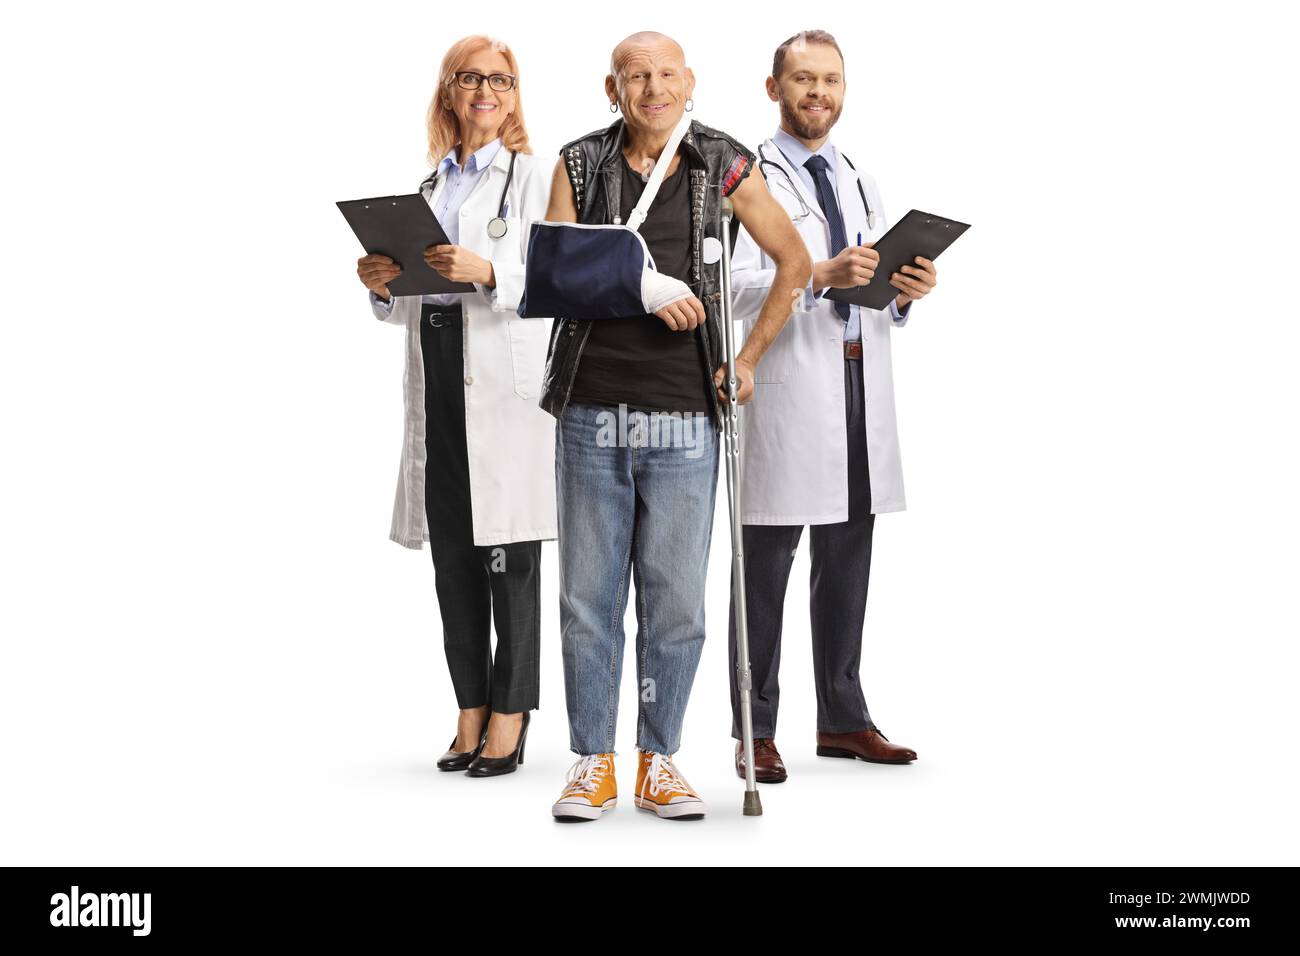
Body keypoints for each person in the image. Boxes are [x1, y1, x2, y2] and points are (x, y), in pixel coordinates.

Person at [539, 31, 811, 822]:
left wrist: (749, 356)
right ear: (612, 88)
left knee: (677, 600)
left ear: (689, 82)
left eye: (665, 74)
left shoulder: (720, 161)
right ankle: (593, 761)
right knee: (589, 597)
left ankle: (659, 760)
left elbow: (791, 259)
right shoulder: (579, 163)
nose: (651, 88)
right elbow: (553, 277)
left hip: (689, 414)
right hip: (592, 408)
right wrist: (645, 286)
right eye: (635, 76)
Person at [727, 30, 938, 783]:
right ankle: (754, 729)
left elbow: (870, 287)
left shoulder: (857, 178)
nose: (819, 93)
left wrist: (903, 293)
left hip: (855, 382)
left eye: (831, 81)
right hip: (784, 392)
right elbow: (731, 288)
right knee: (766, 570)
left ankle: (843, 719)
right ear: (774, 87)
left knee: (848, 558)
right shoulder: (746, 178)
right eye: (804, 79)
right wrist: (815, 272)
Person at [356, 35, 556, 778]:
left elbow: (561, 276)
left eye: (500, 79)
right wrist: (381, 282)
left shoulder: (536, 177)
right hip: (436, 360)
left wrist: (490, 271)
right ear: (448, 91)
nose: (486, 90)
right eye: (471, 78)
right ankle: (469, 705)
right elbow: (411, 287)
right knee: (454, 556)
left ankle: (511, 712)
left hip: (503, 383)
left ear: (513, 93)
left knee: (510, 555)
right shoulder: (430, 183)